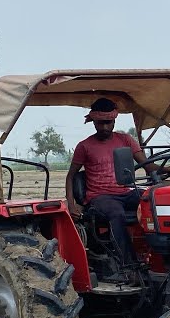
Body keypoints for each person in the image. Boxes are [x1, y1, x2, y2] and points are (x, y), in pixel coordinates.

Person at [65, 98, 164, 283]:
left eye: (107, 123)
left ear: (114, 121)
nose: (103, 127)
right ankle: (128, 266)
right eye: (100, 123)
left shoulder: (125, 140)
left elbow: (147, 166)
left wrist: (165, 169)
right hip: (100, 197)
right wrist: (72, 204)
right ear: (93, 122)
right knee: (116, 213)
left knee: (153, 200)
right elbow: (71, 176)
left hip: (125, 192)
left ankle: (160, 257)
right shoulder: (84, 146)